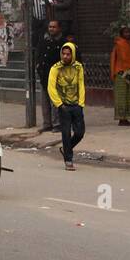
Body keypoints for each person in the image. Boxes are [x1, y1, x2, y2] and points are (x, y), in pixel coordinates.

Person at [47, 42, 85, 170]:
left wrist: (81, 103)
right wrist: (59, 104)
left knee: (80, 133)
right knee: (66, 133)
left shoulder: (78, 67)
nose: (65, 56)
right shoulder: (55, 68)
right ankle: (68, 160)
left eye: (68, 54)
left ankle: (66, 148)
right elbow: (51, 87)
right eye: (63, 54)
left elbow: (81, 85)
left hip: (76, 105)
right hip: (63, 106)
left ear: (73, 54)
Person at [36, 18, 65, 131]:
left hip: (57, 75)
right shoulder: (44, 40)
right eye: (50, 27)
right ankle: (47, 124)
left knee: (55, 101)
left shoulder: (63, 42)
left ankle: (57, 124)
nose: (51, 29)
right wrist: (38, 66)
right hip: (44, 75)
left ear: (59, 28)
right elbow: (38, 54)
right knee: (45, 101)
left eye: (54, 27)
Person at [110, 26, 130, 126]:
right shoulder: (119, 44)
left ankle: (125, 118)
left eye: (128, 32)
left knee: (128, 95)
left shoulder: (128, 44)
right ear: (121, 34)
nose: (128, 34)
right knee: (121, 96)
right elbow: (120, 58)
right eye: (125, 32)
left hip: (128, 71)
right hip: (121, 72)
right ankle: (121, 119)